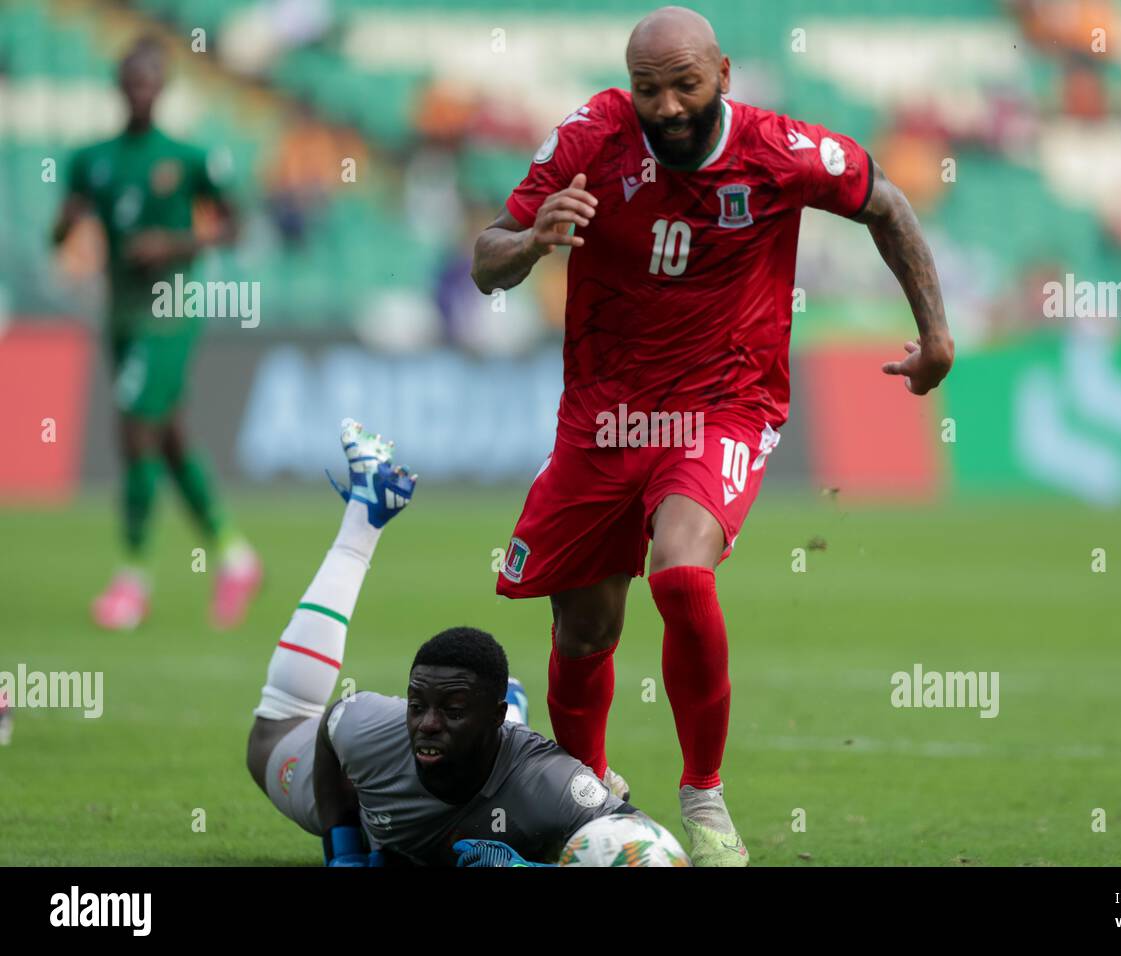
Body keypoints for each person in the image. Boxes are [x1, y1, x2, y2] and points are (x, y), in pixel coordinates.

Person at [471, 6, 954, 865]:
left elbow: (885, 201)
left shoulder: (780, 151)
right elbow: (487, 256)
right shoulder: (590, 135)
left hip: (722, 403)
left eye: (684, 84)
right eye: (647, 88)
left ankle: (705, 792)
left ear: (724, 74)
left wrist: (936, 334)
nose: (665, 106)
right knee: (584, 630)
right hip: (605, 412)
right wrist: (536, 240)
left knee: (682, 571)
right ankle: (589, 794)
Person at [246, 420, 673, 867]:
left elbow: (649, 849)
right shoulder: (370, 730)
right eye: (417, 706)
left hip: (505, 763)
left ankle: (509, 707)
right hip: (367, 802)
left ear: (494, 720)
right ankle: (362, 518)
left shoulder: (548, 782)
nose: (427, 725)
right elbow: (333, 725)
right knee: (272, 732)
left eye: (450, 711)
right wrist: (346, 850)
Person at [51, 36, 260, 631]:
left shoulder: (189, 157)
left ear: (161, 88)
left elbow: (236, 226)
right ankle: (234, 556)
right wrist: (64, 225)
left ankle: (132, 582)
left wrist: (173, 244)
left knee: (133, 430)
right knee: (166, 438)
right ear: (120, 86)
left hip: (171, 308)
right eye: (132, 81)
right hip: (119, 312)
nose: (141, 91)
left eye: (150, 81)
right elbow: (59, 235)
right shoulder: (89, 159)